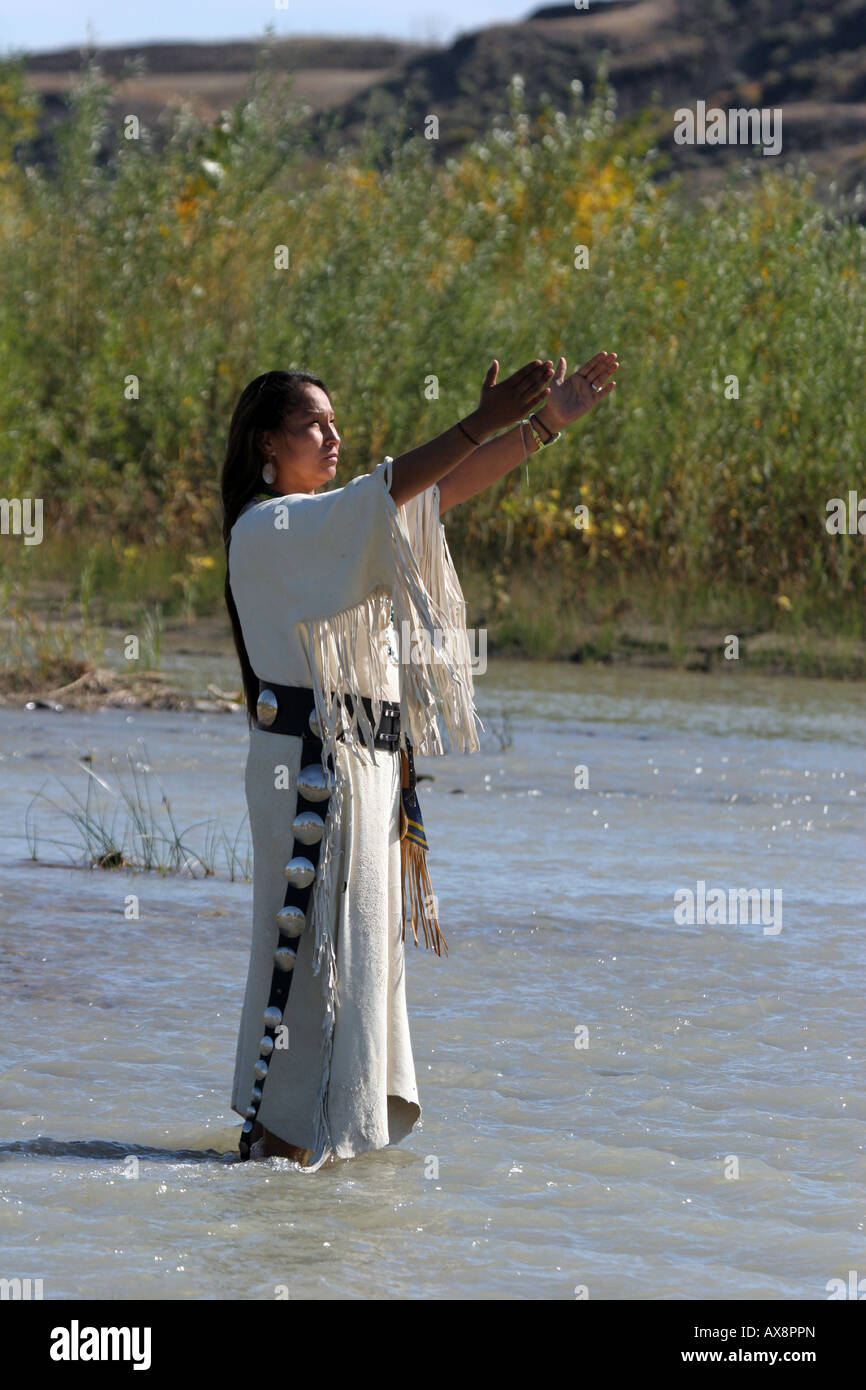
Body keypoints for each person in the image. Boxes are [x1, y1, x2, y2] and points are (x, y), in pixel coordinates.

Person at [221, 351, 617, 1169]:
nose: (332, 435)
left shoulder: (327, 520)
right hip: (309, 774)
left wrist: (544, 424)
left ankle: (294, 1166)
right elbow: (394, 489)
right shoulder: (268, 527)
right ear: (267, 443)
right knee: (313, 975)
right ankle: (276, 1162)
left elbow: (431, 495)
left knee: (354, 975)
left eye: (335, 421)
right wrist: (484, 420)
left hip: (356, 771)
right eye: (312, 425)